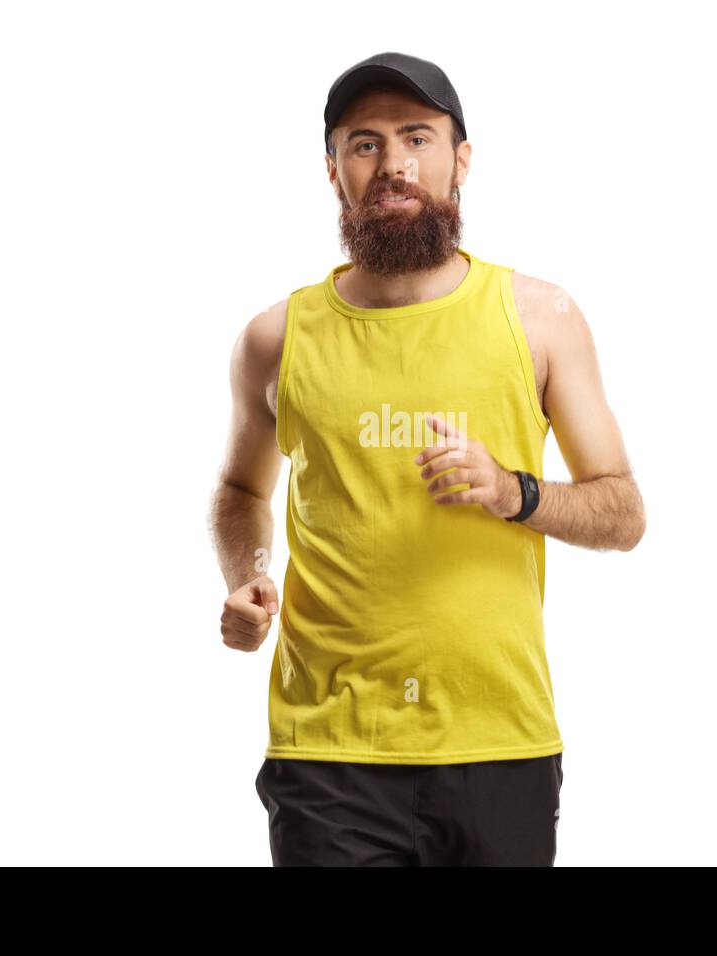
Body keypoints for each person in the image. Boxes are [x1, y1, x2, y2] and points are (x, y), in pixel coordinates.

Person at [209, 52, 646, 866]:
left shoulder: (540, 320)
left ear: (461, 160)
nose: (394, 163)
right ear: (334, 170)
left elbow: (623, 513)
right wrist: (248, 573)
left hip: (501, 743)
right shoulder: (276, 339)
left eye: (417, 137)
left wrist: (514, 493)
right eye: (365, 143)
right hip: (328, 751)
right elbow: (240, 488)